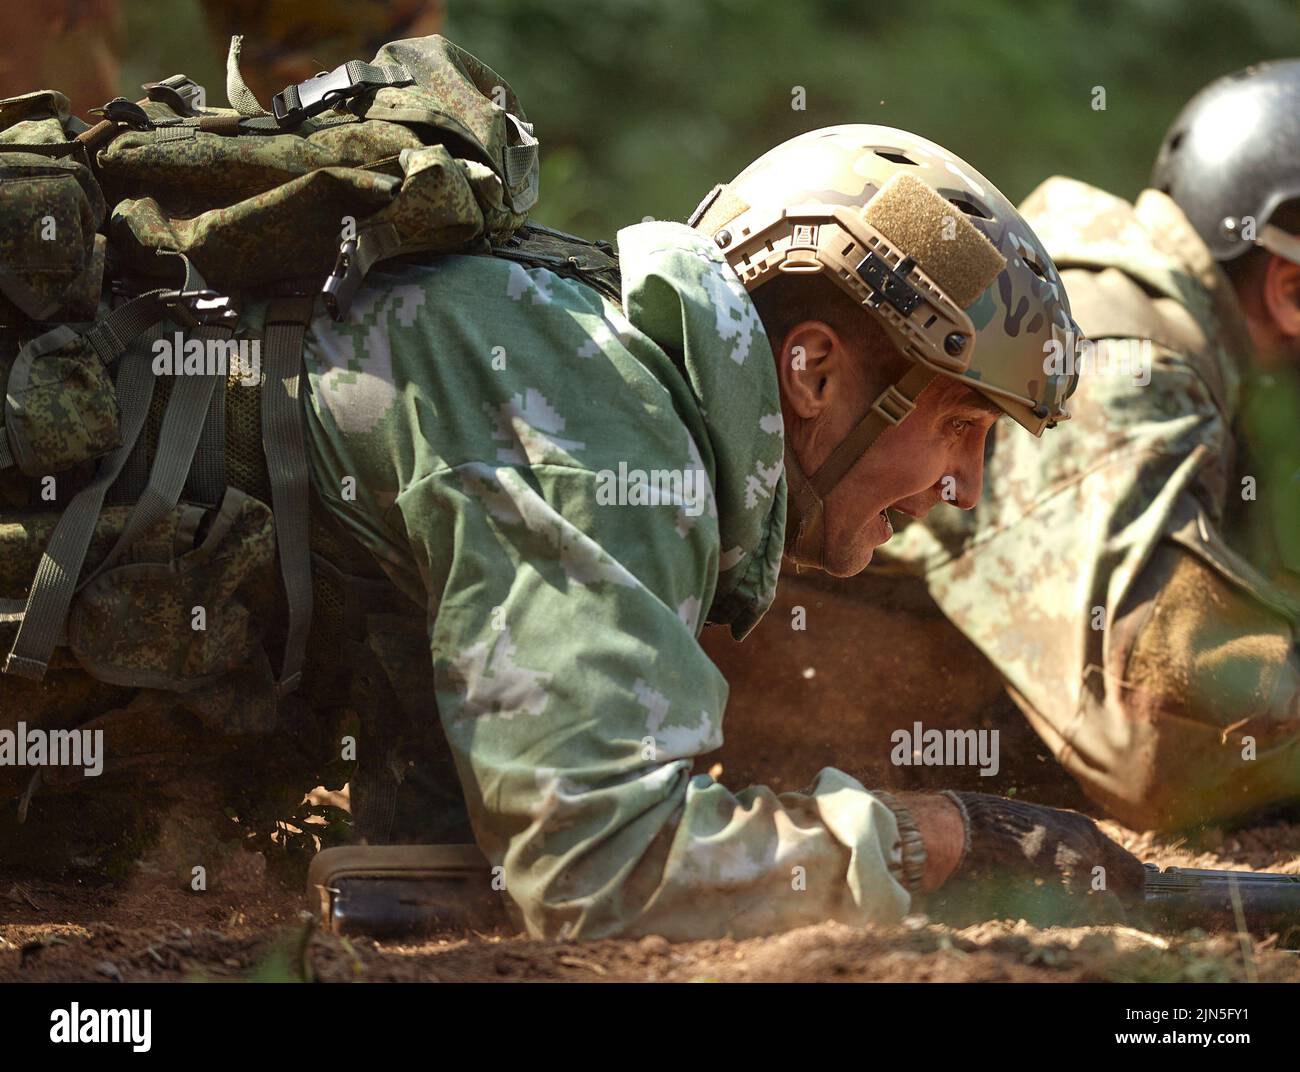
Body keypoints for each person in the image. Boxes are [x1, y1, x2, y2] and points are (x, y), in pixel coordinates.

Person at [294, 124, 1143, 938]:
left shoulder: (604, 382)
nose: (968, 488)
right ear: (812, 372)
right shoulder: (603, 437)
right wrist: (938, 838)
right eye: (961, 426)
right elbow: (605, 871)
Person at [713, 65, 1300, 838]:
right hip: (725, 782)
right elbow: (1165, 720)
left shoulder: (1095, 318)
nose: (970, 484)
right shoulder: (1122, 358)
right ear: (1290, 290)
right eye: (964, 431)